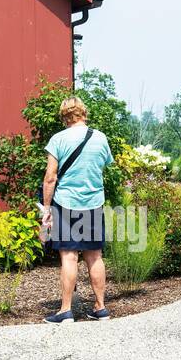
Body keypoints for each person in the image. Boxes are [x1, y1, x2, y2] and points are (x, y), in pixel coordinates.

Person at [41, 95, 114, 323]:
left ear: (64, 116)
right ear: (84, 113)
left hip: (66, 203)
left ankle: (65, 311)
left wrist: (46, 208)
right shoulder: (100, 138)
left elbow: (50, 177)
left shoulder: (58, 139)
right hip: (94, 203)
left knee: (69, 257)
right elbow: (103, 166)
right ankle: (100, 308)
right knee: (95, 256)